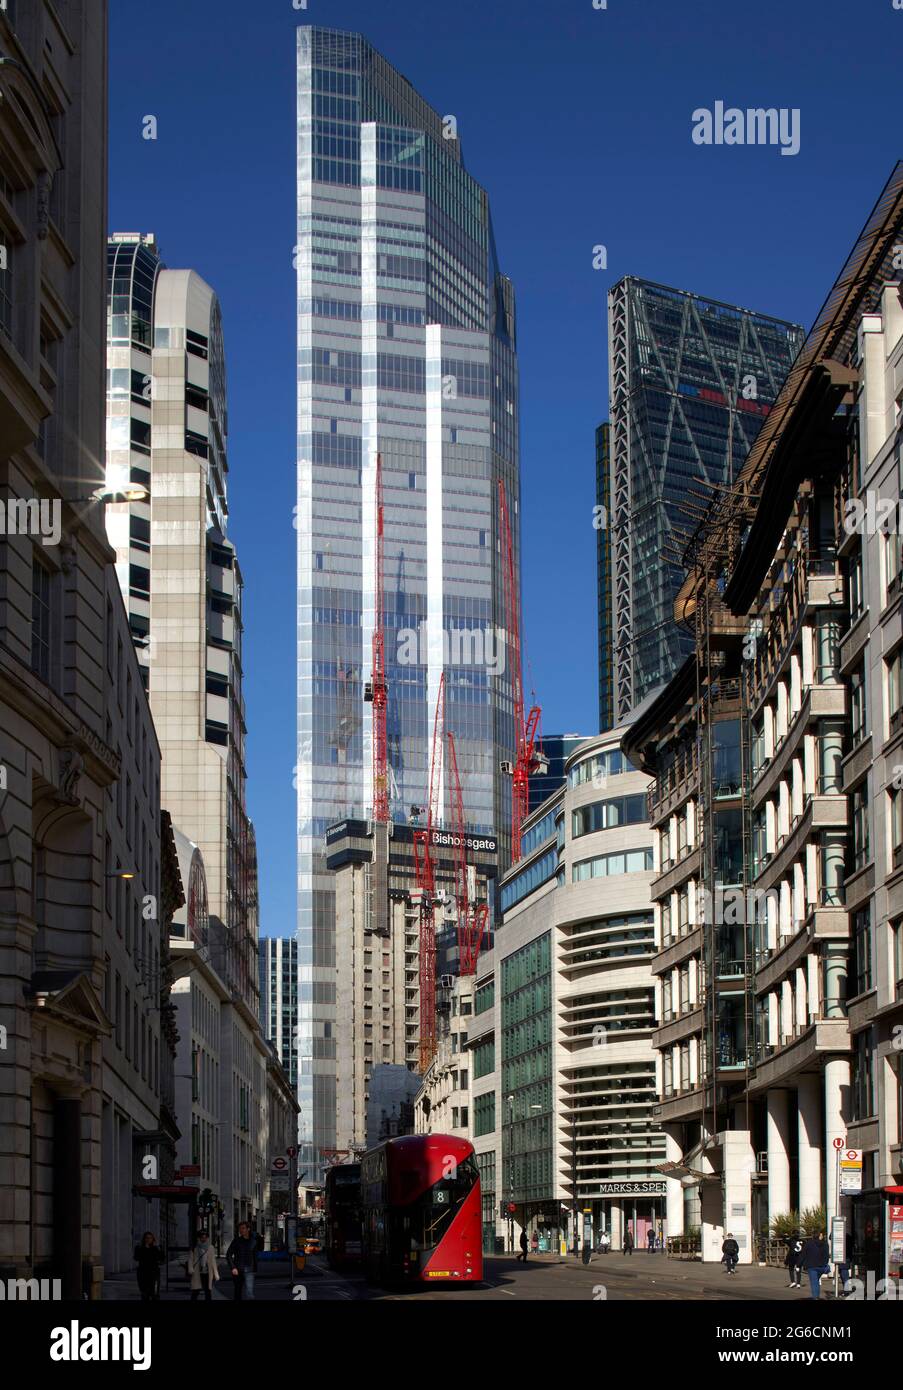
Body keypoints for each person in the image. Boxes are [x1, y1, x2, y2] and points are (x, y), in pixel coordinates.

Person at [226, 1221, 258, 1300]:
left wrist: (255, 1269)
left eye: (243, 1228)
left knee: (249, 1292)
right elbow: (228, 1254)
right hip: (238, 1270)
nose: (241, 1230)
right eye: (239, 1228)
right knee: (237, 1291)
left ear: (248, 1229)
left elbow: (255, 1255)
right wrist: (233, 1267)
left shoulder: (254, 1241)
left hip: (249, 1270)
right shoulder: (236, 1241)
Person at [187, 1231, 219, 1301]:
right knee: (195, 1291)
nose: (203, 1239)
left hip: (207, 1272)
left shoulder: (211, 1247)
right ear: (199, 1238)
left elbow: (213, 1261)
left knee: (208, 1291)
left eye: (205, 1237)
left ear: (207, 1238)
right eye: (202, 1237)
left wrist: (216, 1274)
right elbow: (190, 1259)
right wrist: (190, 1269)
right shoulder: (194, 1247)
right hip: (197, 1272)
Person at [134, 1231, 164, 1302]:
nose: (148, 1240)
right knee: (144, 1294)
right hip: (143, 1274)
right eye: (147, 1238)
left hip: (154, 1274)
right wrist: (144, 1249)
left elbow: (162, 1258)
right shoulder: (139, 1248)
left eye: (150, 1238)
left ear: (153, 1239)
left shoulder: (155, 1248)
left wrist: (159, 1249)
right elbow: (136, 1257)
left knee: (155, 1294)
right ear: (144, 1239)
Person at [802, 1230, 830, 1300]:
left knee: (814, 1282)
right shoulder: (825, 1244)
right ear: (819, 1236)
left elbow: (803, 1255)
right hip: (822, 1267)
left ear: (813, 1236)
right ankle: (816, 1296)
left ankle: (815, 1297)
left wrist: (800, 1264)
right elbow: (826, 1256)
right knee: (816, 1281)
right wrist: (824, 1264)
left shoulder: (809, 1243)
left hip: (812, 1266)